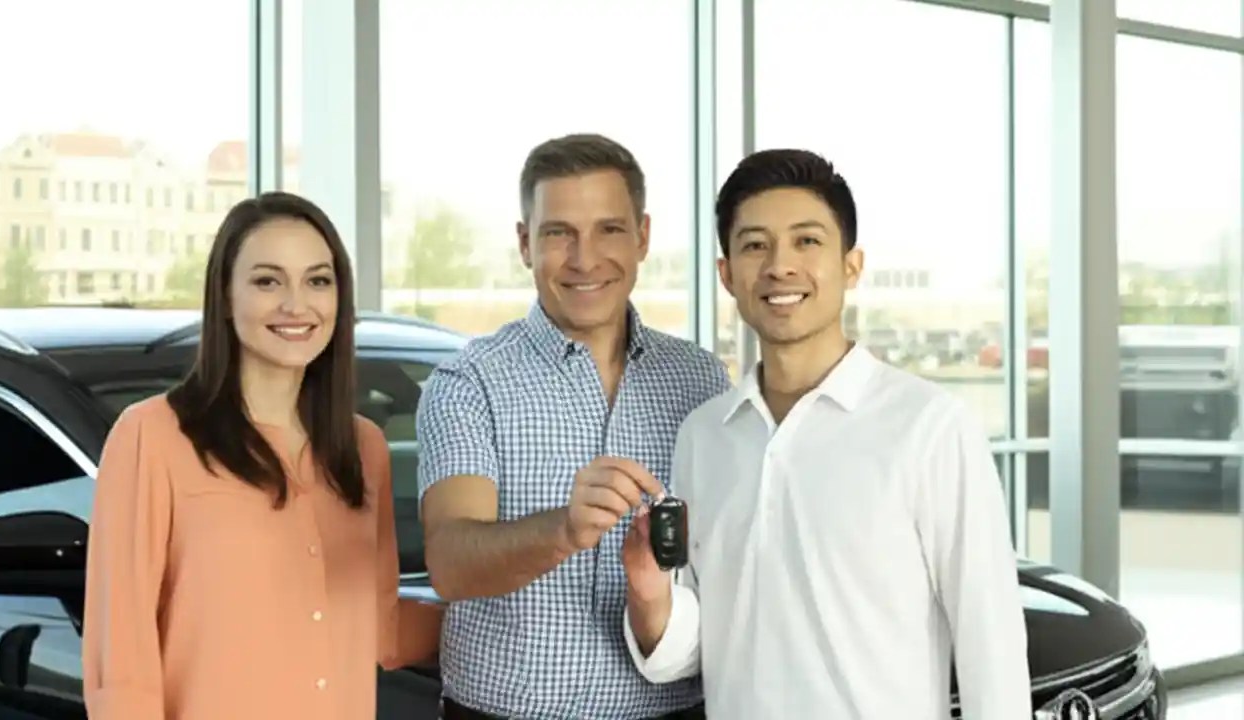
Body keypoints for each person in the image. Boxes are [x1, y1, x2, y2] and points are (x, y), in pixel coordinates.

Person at [620, 149, 1033, 719]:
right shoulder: (703, 436)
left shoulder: (930, 426)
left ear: (851, 266)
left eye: (807, 241)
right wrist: (649, 593)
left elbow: (992, 641)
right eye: (755, 245)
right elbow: (691, 653)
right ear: (727, 274)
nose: (780, 266)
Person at [81, 191, 437, 719]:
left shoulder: (363, 449)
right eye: (268, 281)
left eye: (318, 280)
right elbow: (122, 665)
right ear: (224, 296)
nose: (297, 304)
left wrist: (515, 599)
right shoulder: (152, 437)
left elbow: (380, 627)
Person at [416, 133, 731, 720]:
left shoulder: (701, 382)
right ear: (524, 243)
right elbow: (451, 564)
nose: (585, 259)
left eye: (609, 230)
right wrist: (563, 529)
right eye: (559, 232)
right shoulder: (468, 382)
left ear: (643, 236)